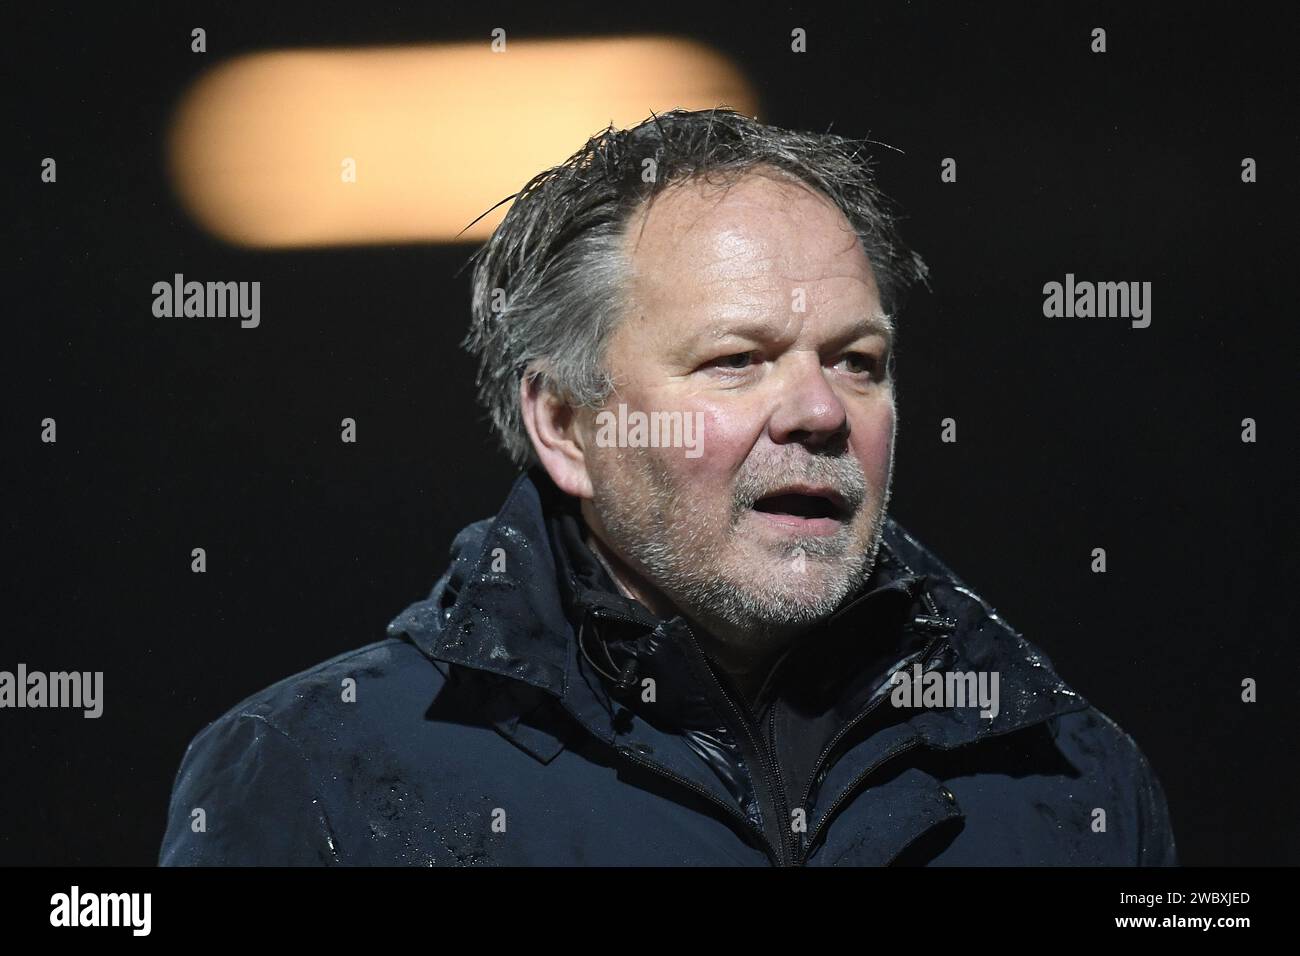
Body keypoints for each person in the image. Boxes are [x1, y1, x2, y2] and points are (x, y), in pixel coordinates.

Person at [159, 108, 1176, 866]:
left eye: (858, 359)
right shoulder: (314, 776)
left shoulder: (1075, 777)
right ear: (563, 423)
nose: (821, 411)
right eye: (738, 358)